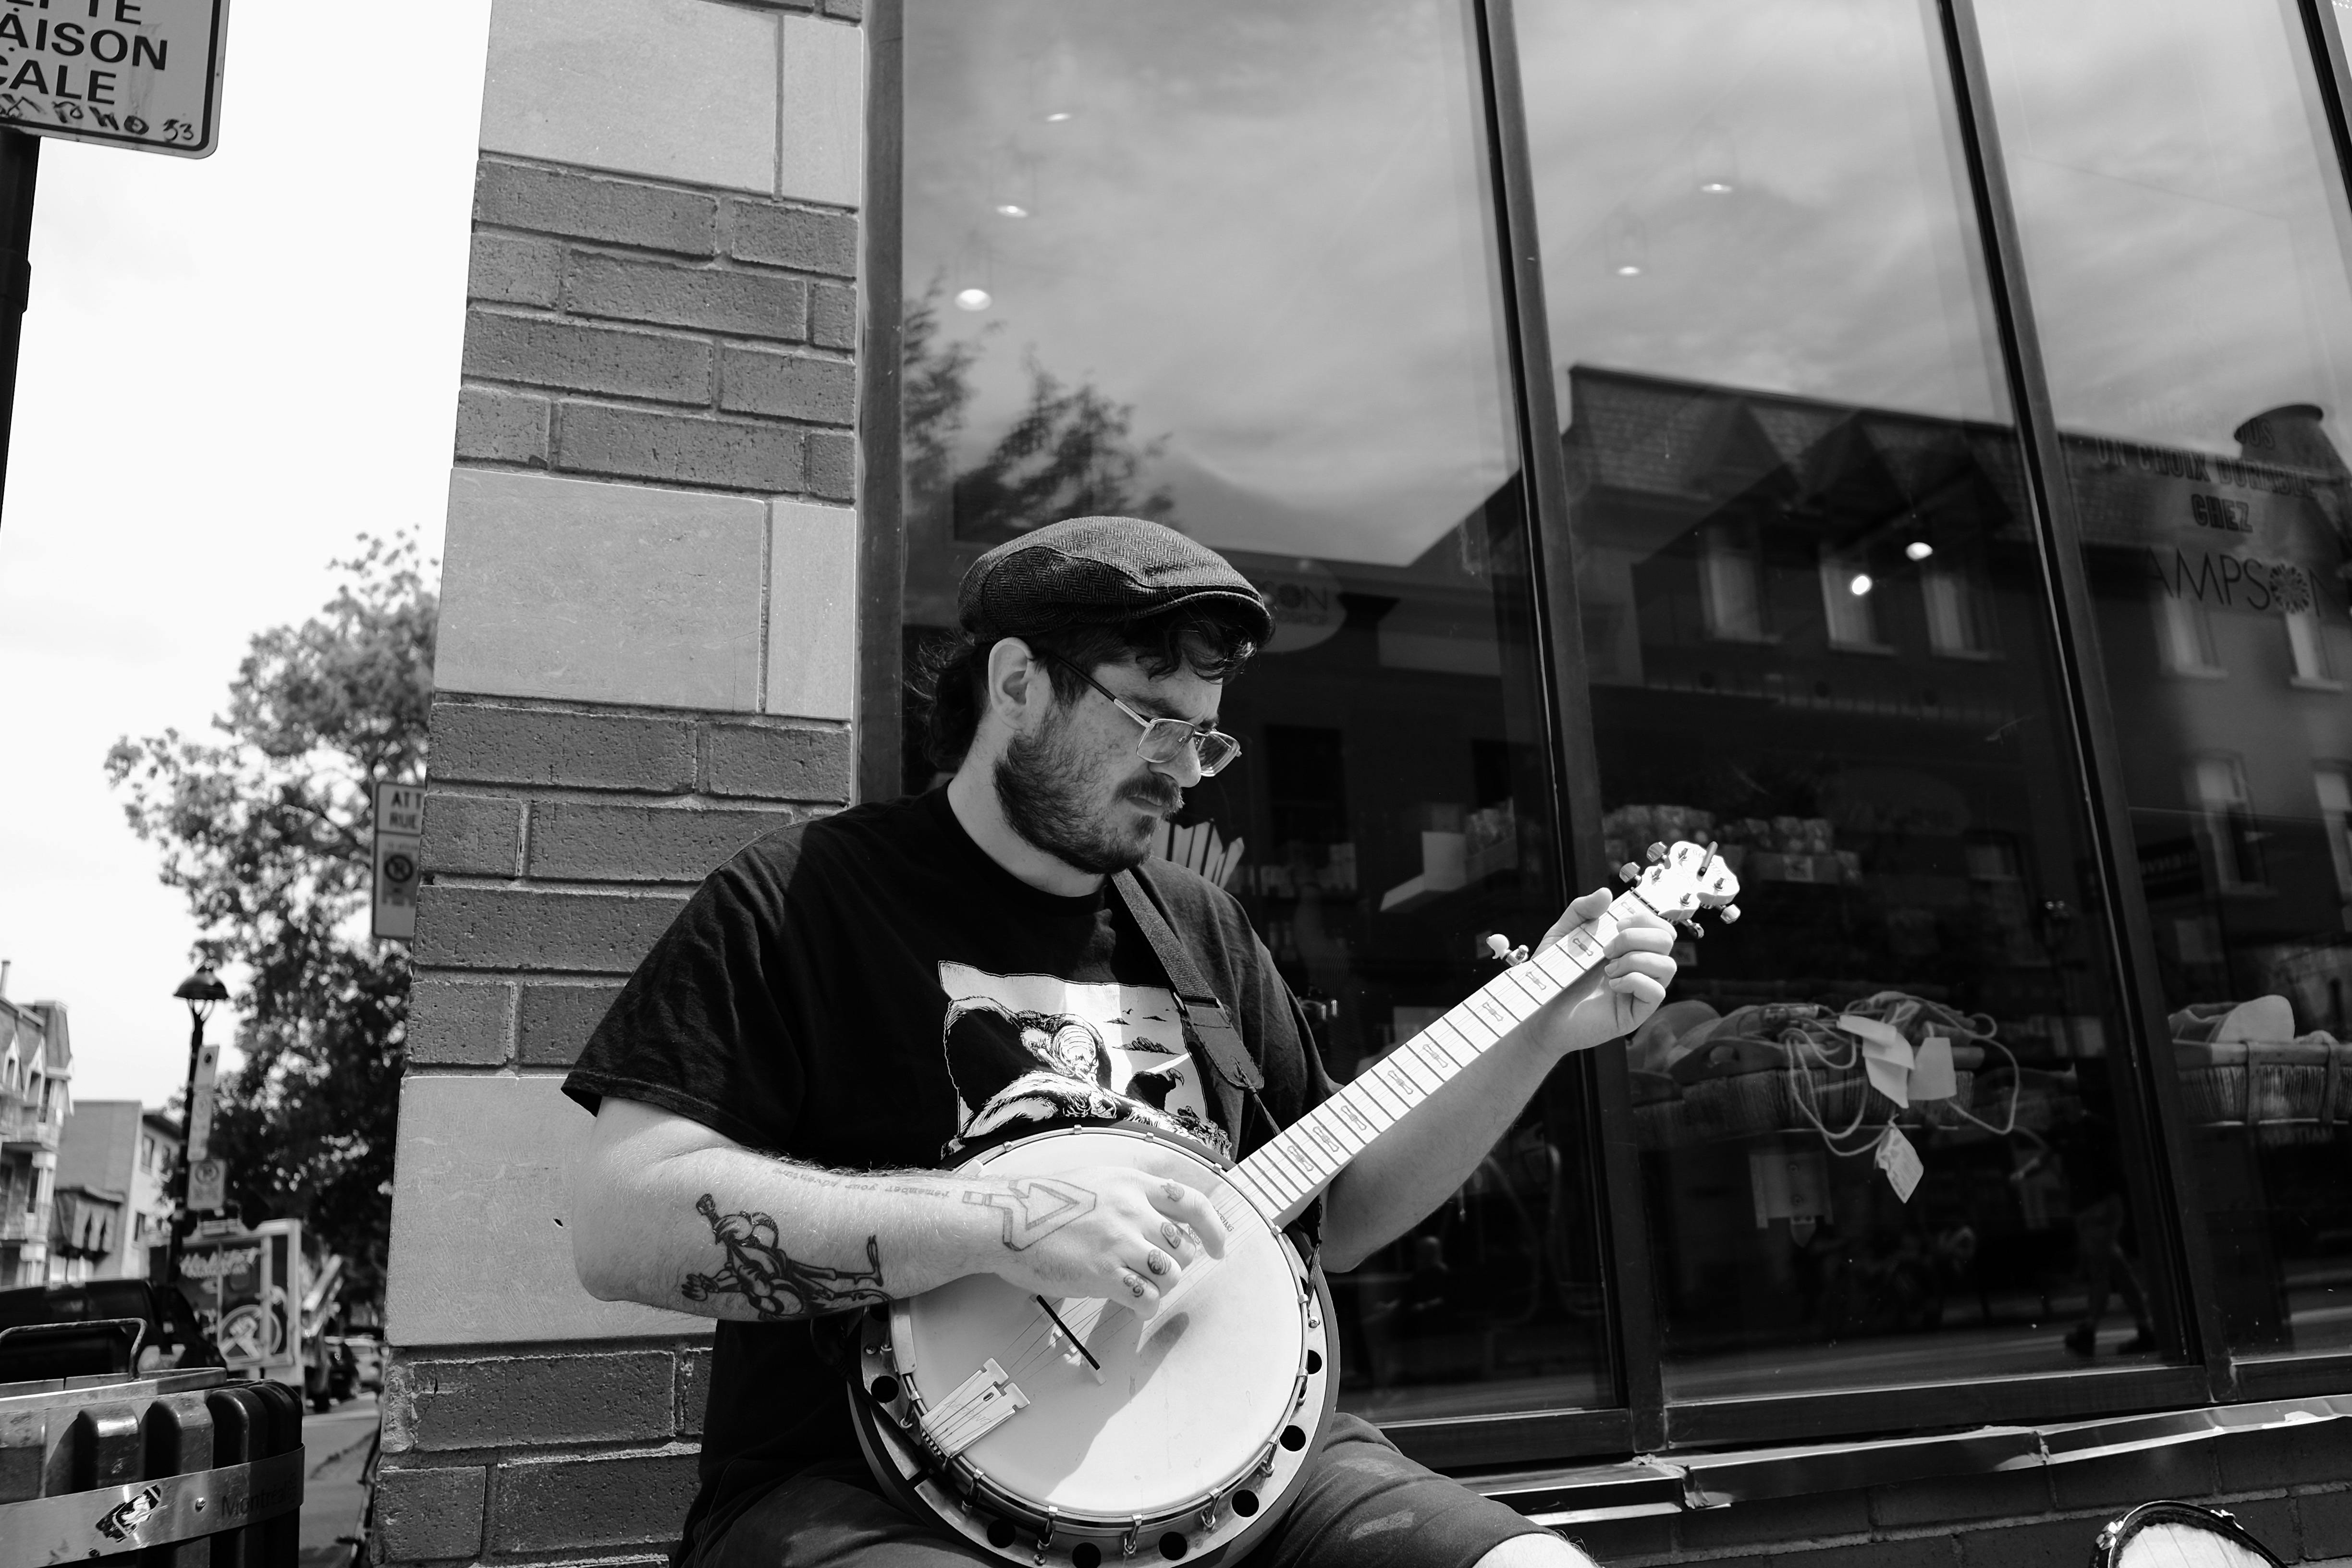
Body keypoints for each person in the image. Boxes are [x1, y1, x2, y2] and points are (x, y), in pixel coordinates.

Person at [562, 516, 1679, 1568]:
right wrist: (1008, 1224)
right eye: (1152, 719)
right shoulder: (798, 900)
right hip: (869, 1490)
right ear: (1016, 684)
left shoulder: (1198, 929)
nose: (1185, 772)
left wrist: (1537, 1034)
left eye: (1204, 737)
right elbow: (622, 1223)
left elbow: (1340, 1219)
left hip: (1237, 1483)